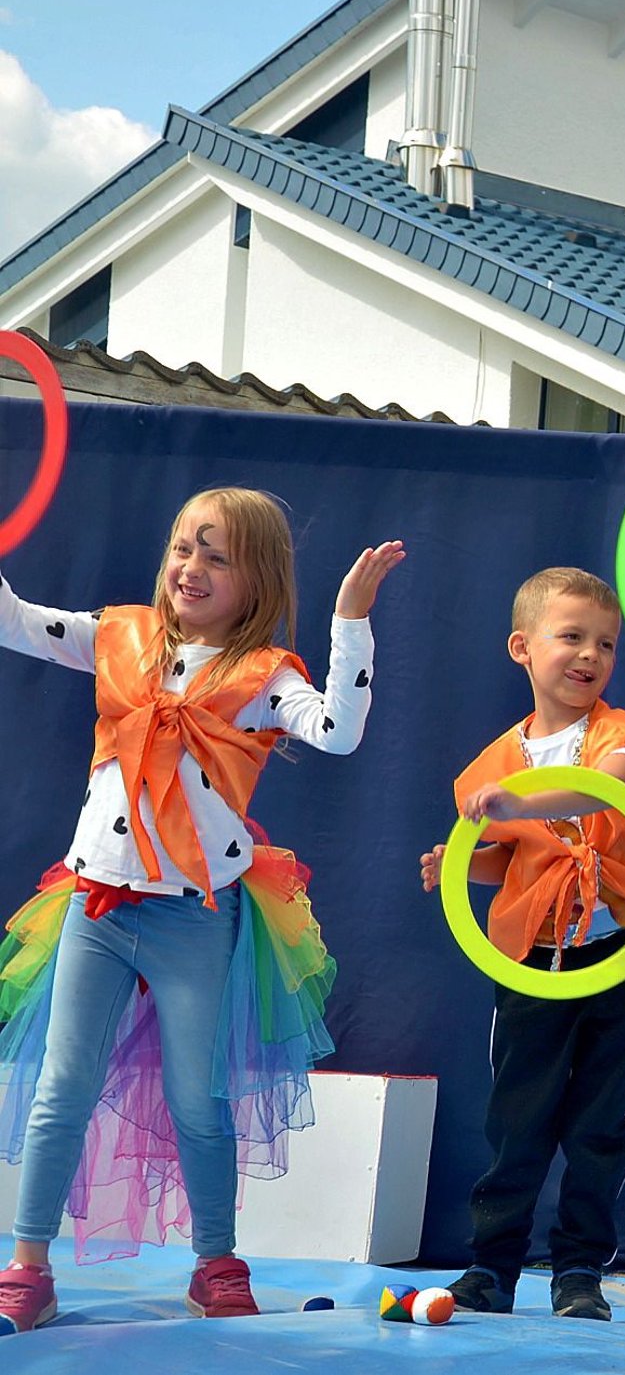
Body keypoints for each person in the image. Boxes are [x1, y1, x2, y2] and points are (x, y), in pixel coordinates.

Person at [0, 488, 403, 1333]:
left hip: (194, 915)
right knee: (60, 1088)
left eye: (217, 555)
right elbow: (18, 621)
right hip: (98, 904)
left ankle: (215, 1259)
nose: (191, 566)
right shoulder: (120, 636)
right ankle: (28, 1265)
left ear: (257, 581)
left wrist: (351, 623)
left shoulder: (265, 677)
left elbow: (337, 730)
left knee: (199, 1098)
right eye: (186, 546)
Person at [419, 567, 625, 1322]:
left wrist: (517, 803)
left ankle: (578, 1271)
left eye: (605, 642)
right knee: (517, 1115)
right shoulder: (490, 767)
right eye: (571, 636)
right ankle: (491, 1266)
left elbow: (604, 789)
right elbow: (509, 856)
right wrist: (462, 862)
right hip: (534, 958)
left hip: (623, 952)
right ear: (522, 647)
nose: (589, 654)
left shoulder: (619, 734)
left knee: (600, 1119)